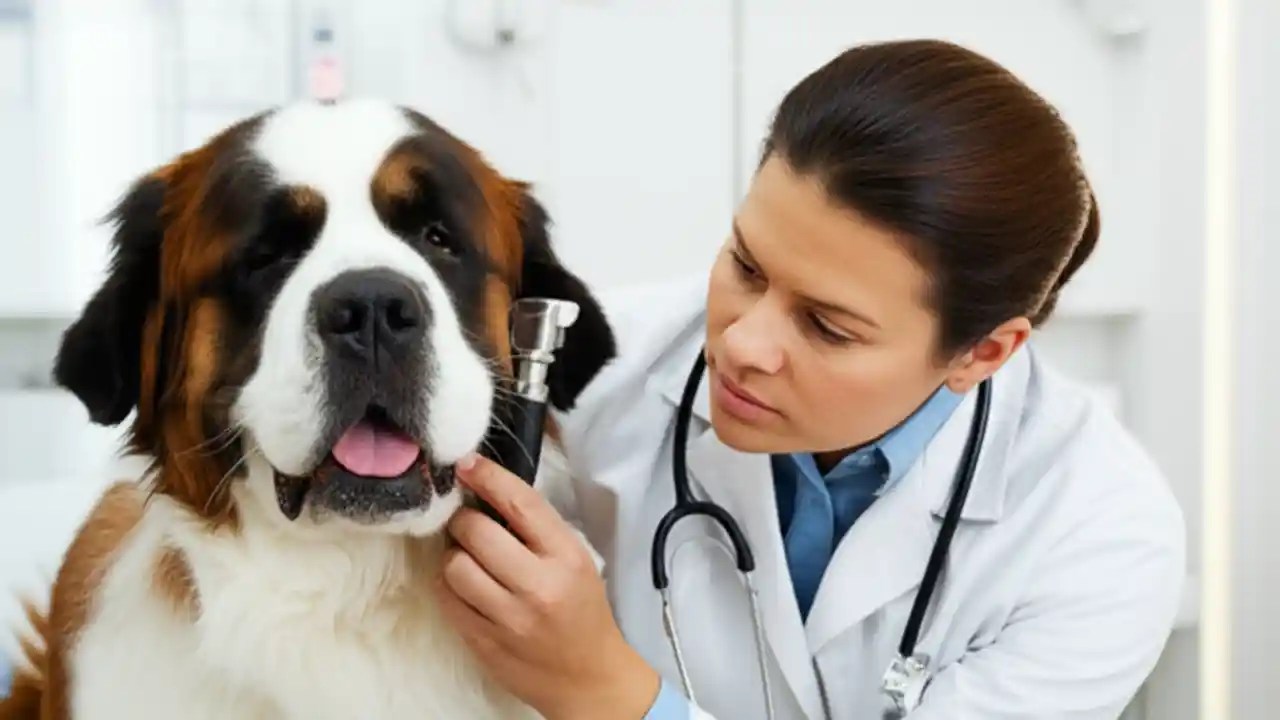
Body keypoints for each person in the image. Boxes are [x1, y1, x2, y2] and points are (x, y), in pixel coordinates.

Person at [433, 39, 1186, 719]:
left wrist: (603, 692)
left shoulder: (1096, 535)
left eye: (828, 327)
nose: (741, 343)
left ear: (982, 354)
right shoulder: (601, 366)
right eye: (746, 266)